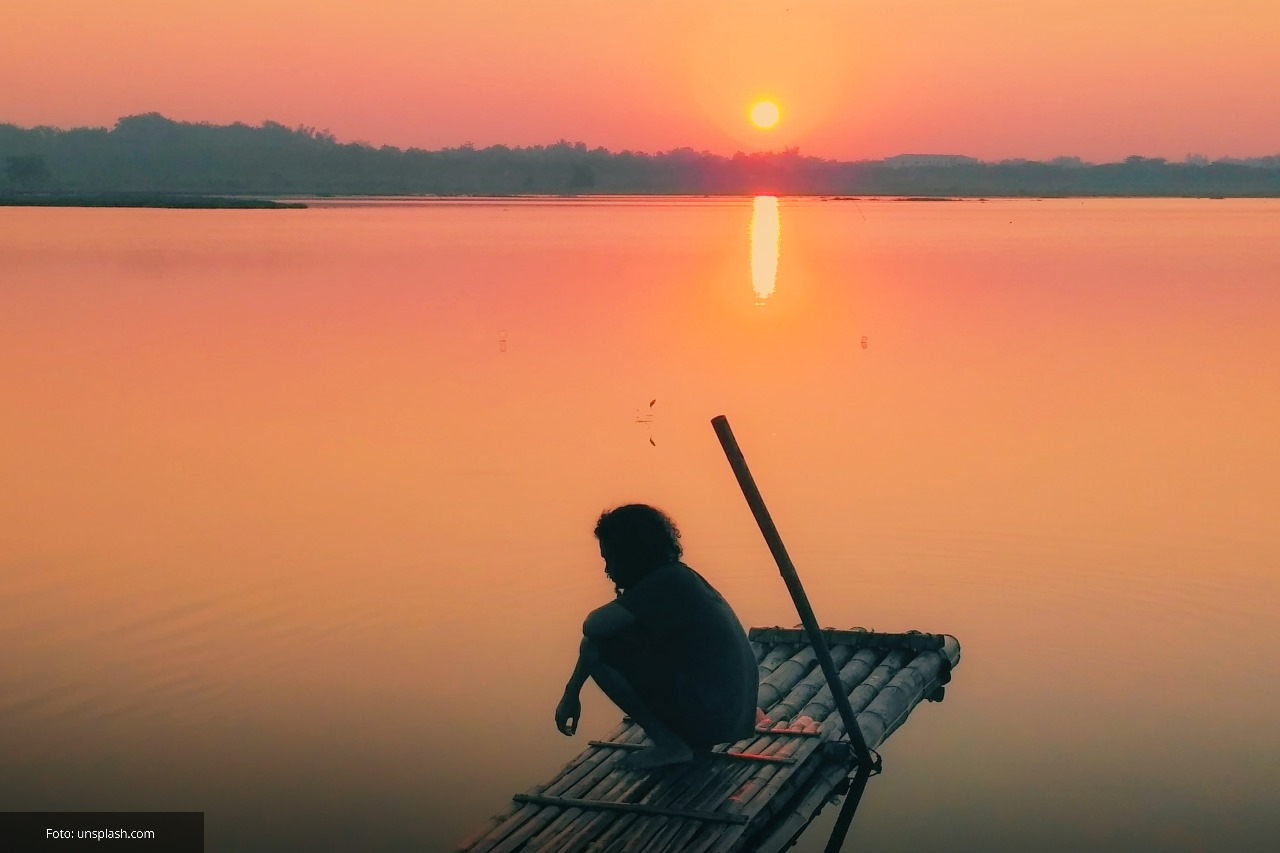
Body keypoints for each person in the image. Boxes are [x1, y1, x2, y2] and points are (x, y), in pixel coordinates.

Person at [554, 504, 759, 770]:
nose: (607, 570)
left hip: (719, 714)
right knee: (608, 641)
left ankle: (671, 745)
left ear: (631, 554)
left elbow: (593, 627)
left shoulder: (666, 584)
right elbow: (600, 634)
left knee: (601, 649)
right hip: (727, 711)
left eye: (609, 559)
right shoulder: (674, 576)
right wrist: (572, 693)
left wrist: (572, 692)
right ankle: (685, 739)